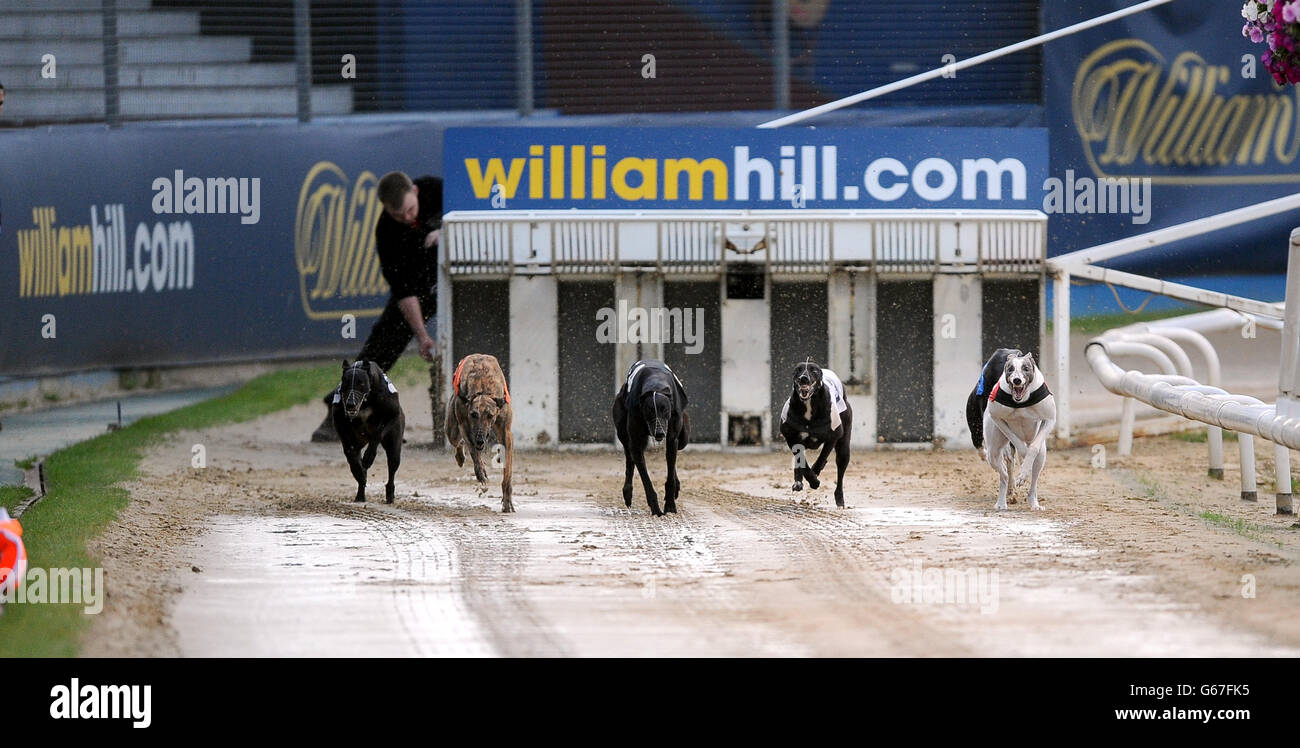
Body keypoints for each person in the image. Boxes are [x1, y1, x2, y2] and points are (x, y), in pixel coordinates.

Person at [310, 172, 442, 442]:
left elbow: (475, 209)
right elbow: (404, 293)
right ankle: (338, 412)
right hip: (419, 288)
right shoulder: (386, 233)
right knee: (382, 345)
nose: (407, 218)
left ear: (416, 191)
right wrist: (423, 336)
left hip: (457, 276)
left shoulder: (437, 189)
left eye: (410, 211)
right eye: (398, 215)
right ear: (385, 210)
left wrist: (448, 230)